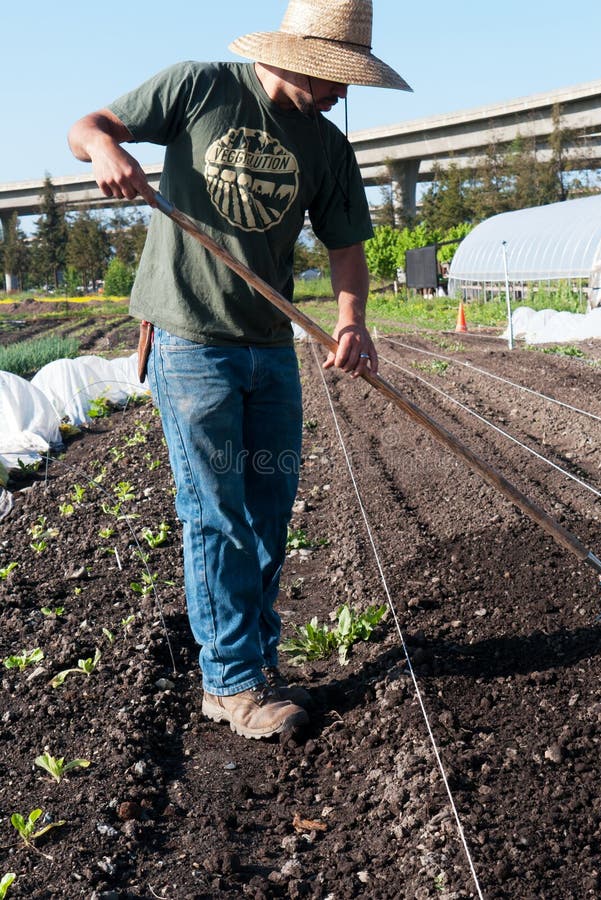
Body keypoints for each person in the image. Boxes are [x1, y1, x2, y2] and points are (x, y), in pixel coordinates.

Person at [67, 0, 411, 740]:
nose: (341, 91)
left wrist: (351, 322)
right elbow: (86, 126)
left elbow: (346, 247)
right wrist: (105, 151)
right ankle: (230, 684)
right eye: (334, 76)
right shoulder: (199, 88)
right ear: (299, 57)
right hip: (191, 345)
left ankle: (251, 658)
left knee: (269, 506)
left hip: (269, 348)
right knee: (215, 511)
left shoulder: (325, 147)